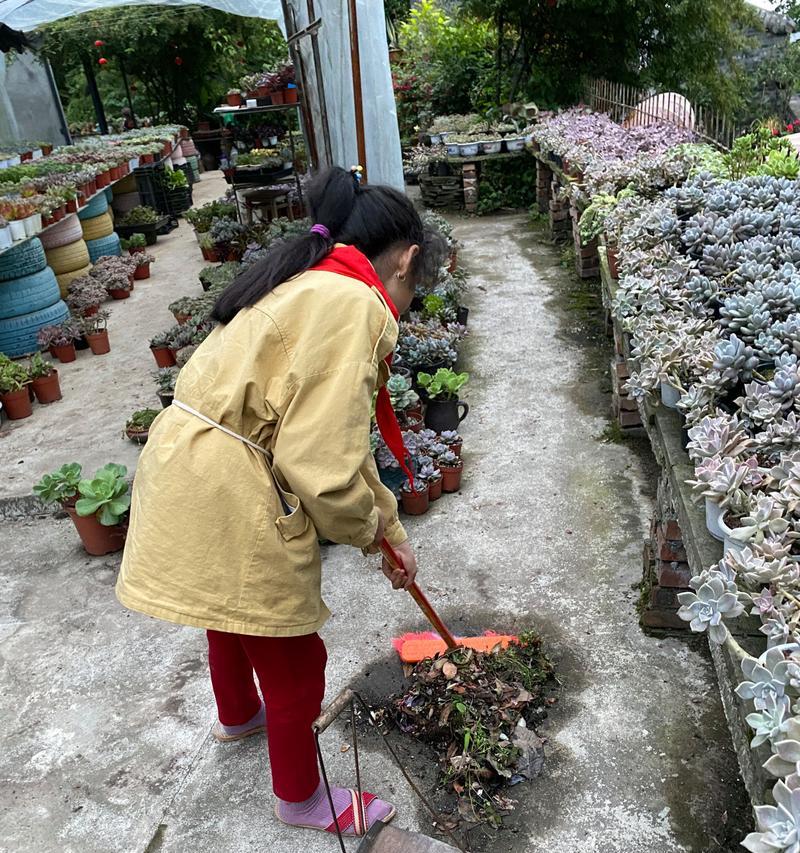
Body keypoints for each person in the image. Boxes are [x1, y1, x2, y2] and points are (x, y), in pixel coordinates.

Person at [115, 166, 435, 838]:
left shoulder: (307, 282)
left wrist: (389, 526)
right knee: (293, 653)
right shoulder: (355, 305)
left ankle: (239, 715)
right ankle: (300, 797)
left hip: (184, 461)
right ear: (405, 260)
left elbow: (332, 447)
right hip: (227, 480)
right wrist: (371, 527)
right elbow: (321, 466)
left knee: (229, 604)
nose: (405, 305)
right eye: (413, 288)